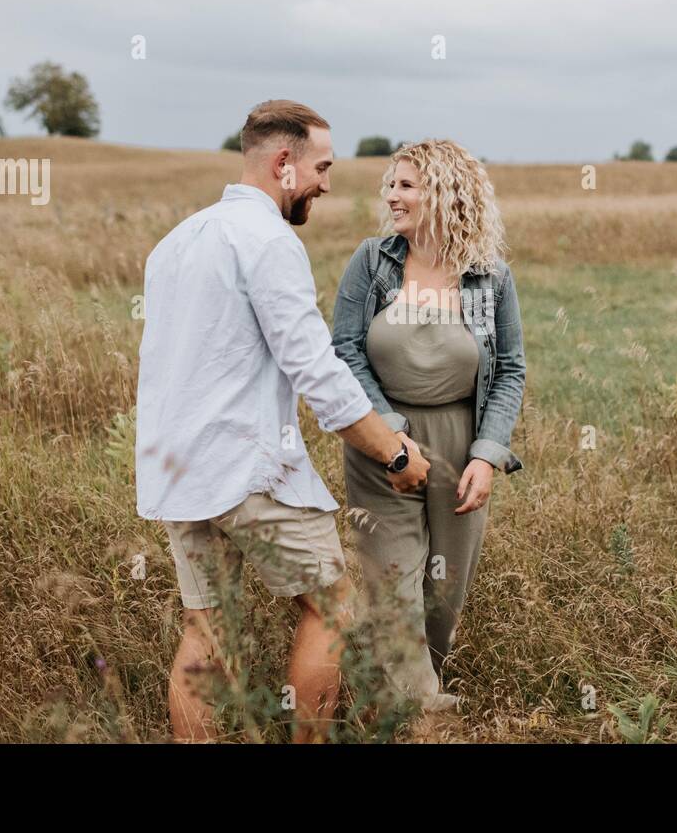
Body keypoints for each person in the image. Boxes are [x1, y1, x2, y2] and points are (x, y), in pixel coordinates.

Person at [135, 100, 430, 742]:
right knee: (331, 605)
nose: (327, 182)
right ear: (283, 163)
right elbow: (314, 368)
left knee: (204, 627)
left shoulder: (177, 241)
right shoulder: (269, 240)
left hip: (178, 469)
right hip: (247, 467)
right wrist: (395, 453)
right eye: (321, 167)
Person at [331, 139, 526, 711]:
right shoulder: (373, 261)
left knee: (444, 592)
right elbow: (344, 349)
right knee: (393, 584)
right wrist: (389, 435)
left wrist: (487, 455)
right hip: (381, 440)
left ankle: (412, 688)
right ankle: (418, 712)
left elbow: (510, 367)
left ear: (444, 192)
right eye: (389, 183)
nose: (391, 195)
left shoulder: (489, 276)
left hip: (462, 441)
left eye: (406, 185)